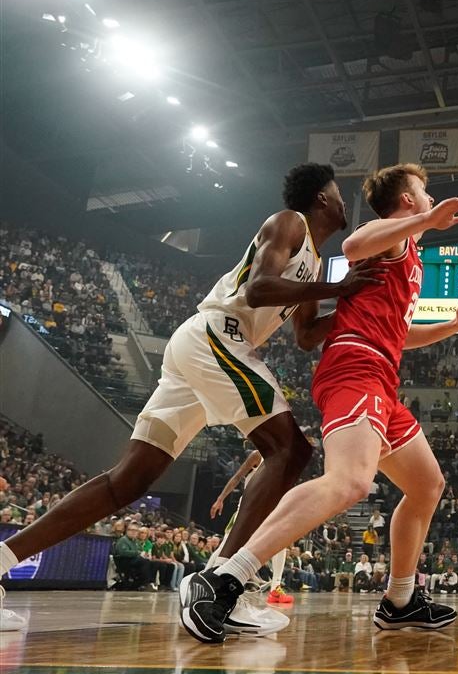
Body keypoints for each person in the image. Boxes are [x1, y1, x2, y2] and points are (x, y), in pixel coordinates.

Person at [0, 164, 371, 635]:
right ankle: (220, 581)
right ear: (321, 199)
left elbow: (305, 336)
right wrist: (340, 288)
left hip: (203, 352)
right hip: (217, 337)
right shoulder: (288, 223)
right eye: (339, 196)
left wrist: (355, 307)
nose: (345, 204)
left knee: (126, 483)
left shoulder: (315, 264)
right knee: (290, 449)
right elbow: (258, 289)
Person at [181, 163, 458, 643]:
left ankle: (401, 599)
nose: (430, 200)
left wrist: (453, 326)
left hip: (381, 377)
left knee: (427, 485)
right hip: (354, 370)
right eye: (424, 194)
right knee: (350, 482)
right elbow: (352, 246)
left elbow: (399, 334)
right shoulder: (389, 237)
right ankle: (224, 578)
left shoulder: (410, 257)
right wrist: (428, 221)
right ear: (407, 200)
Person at [210, 450, 292, 605]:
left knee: (281, 542)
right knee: (225, 547)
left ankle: (275, 587)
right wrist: (220, 499)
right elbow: (236, 477)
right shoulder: (257, 455)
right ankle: (207, 576)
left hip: (266, 510)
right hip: (247, 509)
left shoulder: (283, 461)